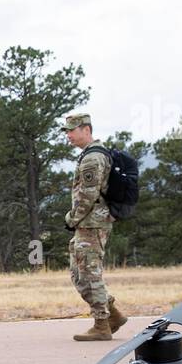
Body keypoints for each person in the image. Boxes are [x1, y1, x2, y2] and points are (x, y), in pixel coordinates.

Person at [62, 113, 127, 341]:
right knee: (79, 274)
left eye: (72, 130)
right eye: (67, 131)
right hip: (89, 223)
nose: (68, 135)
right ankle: (113, 316)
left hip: (91, 223)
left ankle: (101, 325)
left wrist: (72, 218)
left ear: (86, 129)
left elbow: (88, 194)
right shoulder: (89, 155)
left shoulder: (93, 158)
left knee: (90, 272)